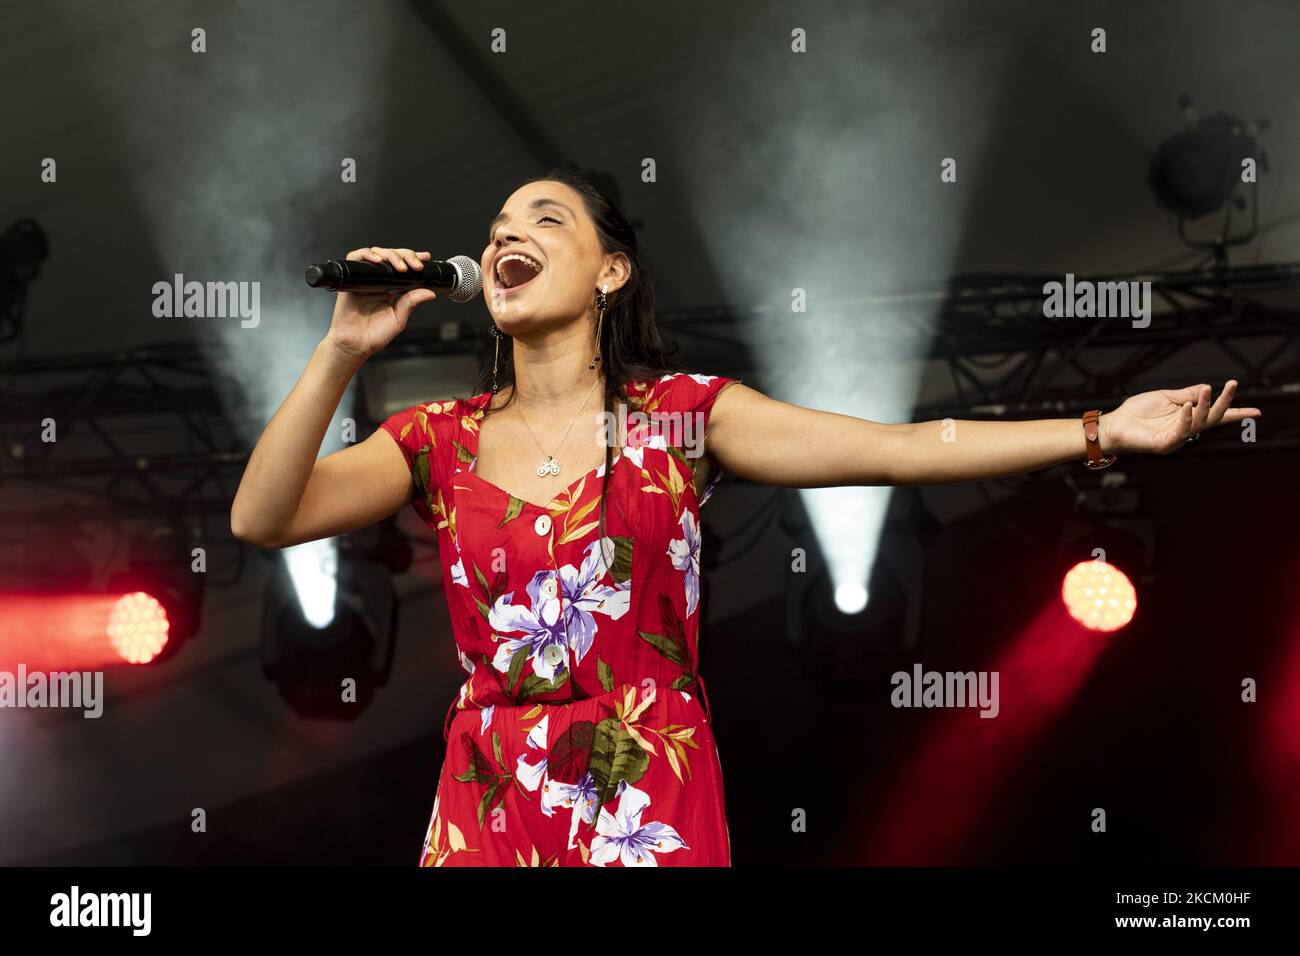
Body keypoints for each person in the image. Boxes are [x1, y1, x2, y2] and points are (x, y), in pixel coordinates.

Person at [230, 167, 1261, 867]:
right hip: (491, 783)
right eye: (498, 227)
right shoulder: (435, 438)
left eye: (545, 220)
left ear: (611, 271)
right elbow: (263, 516)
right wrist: (341, 351)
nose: (508, 234)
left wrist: (1098, 429)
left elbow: (904, 448)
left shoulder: (684, 418)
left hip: (643, 778)